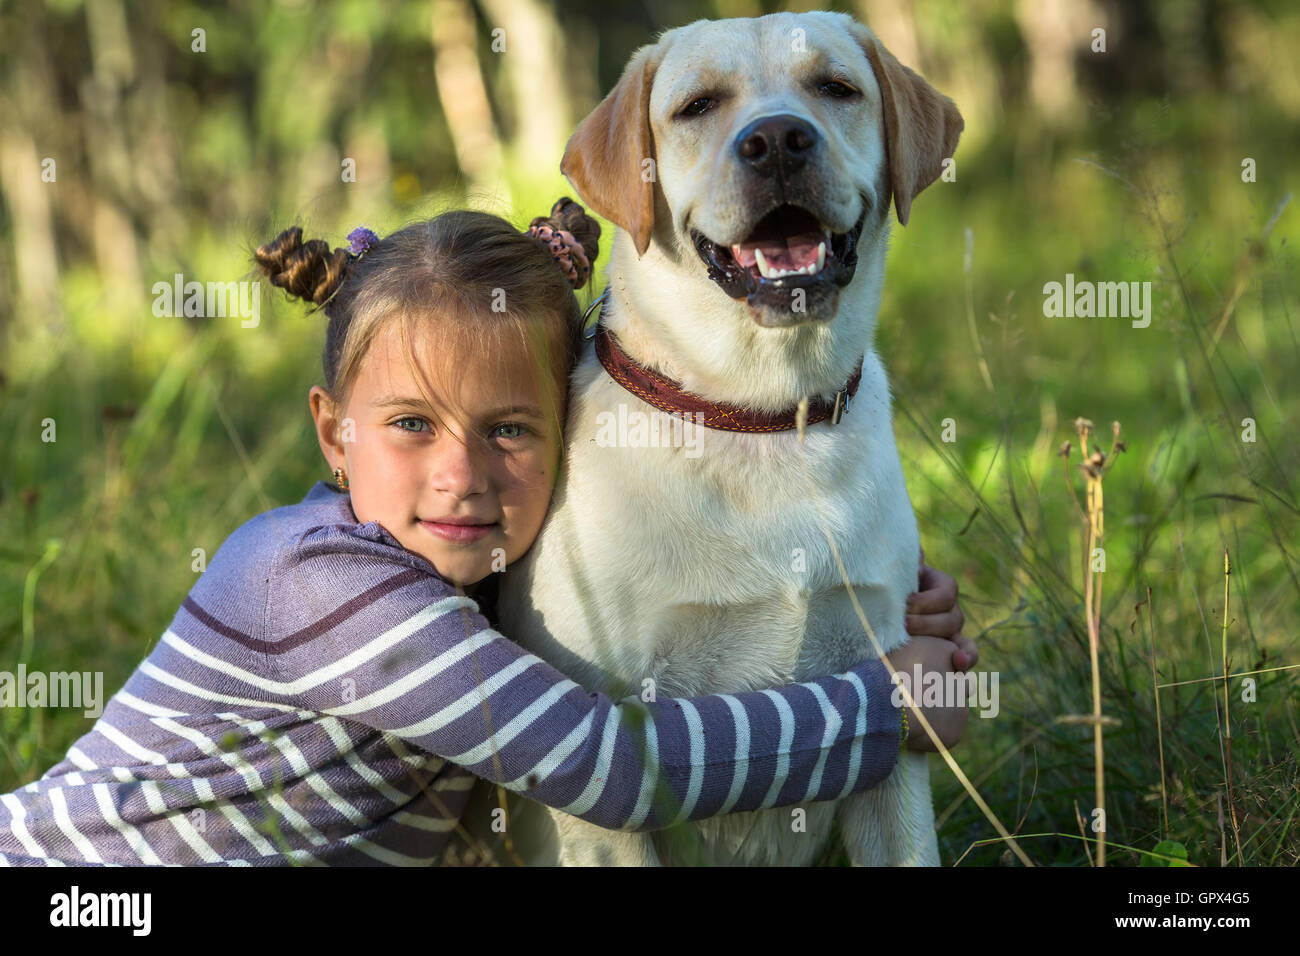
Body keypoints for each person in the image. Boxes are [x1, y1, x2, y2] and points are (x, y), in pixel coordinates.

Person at [0, 198, 976, 866]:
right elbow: (614, 765)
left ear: (572, 437)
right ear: (332, 432)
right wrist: (883, 709)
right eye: (410, 424)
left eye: (509, 429)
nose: (460, 474)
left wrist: (868, 596)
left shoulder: (471, 592)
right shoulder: (317, 579)